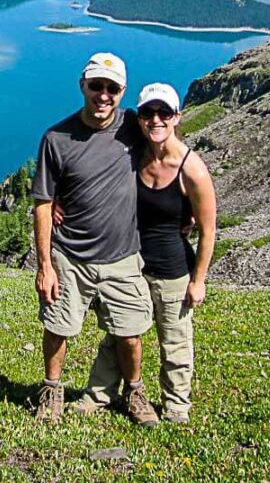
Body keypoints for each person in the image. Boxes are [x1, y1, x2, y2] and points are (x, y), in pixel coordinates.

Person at [70, 82, 217, 424]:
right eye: (148, 112)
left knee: (175, 341)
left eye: (164, 112)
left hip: (172, 269)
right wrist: (61, 204)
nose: (156, 119)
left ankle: (177, 405)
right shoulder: (133, 156)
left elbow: (208, 230)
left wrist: (199, 281)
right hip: (130, 262)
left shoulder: (191, 169)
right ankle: (100, 394)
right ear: (139, 118)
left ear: (177, 117)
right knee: (120, 333)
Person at [31, 52, 160, 426]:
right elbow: (42, 203)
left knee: (130, 334)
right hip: (69, 256)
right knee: (57, 328)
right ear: (82, 86)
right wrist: (45, 266)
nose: (103, 95)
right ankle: (51, 390)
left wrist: (183, 212)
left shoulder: (134, 127)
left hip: (122, 256)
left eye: (112, 88)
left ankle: (134, 392)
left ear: (122, 92)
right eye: (96, 86)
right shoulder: (56, 138)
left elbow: (169, 155)